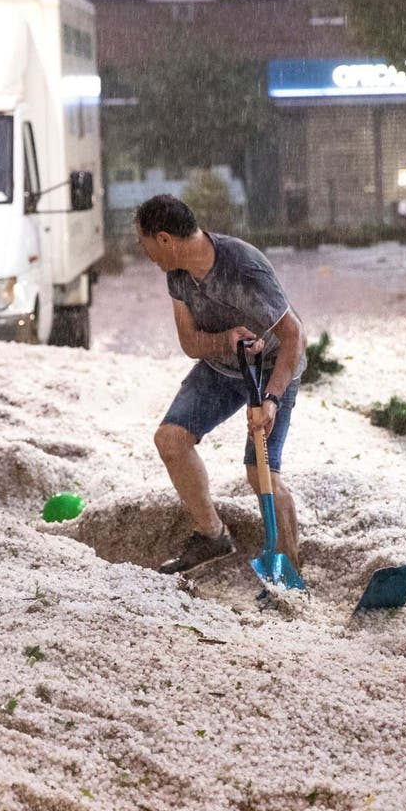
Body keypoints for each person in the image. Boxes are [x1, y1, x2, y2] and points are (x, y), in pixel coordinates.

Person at [135, 194, 306, 575]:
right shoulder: (177, 274)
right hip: (222, 369)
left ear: (164, 239)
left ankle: (290, 571)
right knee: (170, 441)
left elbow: (295, 337)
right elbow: (190, 343)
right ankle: (212, 535)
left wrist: (272, 399)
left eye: (143, 242)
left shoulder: (243, 267)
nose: (143, 252)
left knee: (261, 472)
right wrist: (226, 339)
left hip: (272, 368)